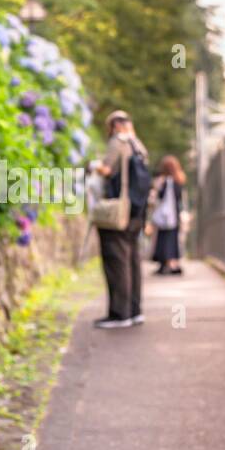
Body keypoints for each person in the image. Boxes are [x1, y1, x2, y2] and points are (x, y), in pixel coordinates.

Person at [91, 110, 151, 329]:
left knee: (116, 259)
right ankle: (135, 311)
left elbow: (107, 169)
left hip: (119, 210)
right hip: (137, 211)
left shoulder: (117, 143)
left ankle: (119, 314)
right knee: (133, 259)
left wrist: (93, 166)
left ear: (115, 125)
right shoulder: (138, 145)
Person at [148, 155, 185, 275]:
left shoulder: (164, 182)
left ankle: (166, 264)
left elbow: (160, 197)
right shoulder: (178, 180)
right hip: (174, 216)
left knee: (163, 239)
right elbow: (179, 199)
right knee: (172, 239)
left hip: (164, 217)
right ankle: (172, 263)